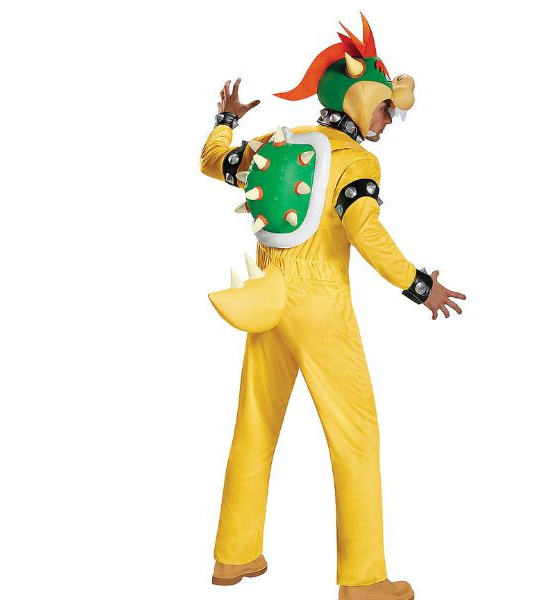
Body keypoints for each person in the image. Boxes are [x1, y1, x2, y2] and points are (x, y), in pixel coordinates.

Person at [199, 14, 465, 600]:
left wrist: (226, 120)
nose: (389, 121)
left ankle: (232, 556)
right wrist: (420, 286)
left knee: (254, 425)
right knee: (356, 436)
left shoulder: (276, 142)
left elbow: (213, 161)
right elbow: (366, 231)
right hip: (319, 306)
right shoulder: (356, 163)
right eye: (386, 109)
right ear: (361, 100)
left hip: (267, 297)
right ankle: (363, 579)